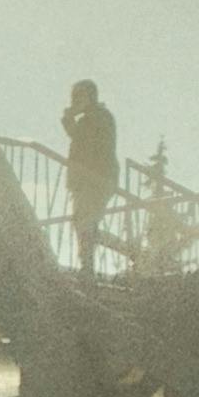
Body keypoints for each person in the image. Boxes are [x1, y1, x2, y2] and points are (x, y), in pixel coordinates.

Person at [60, 79, 118, 273]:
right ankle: (125, 250)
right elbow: (81, 140)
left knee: (85, 224)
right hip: (88, 180)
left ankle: (87, 268)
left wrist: (70, 119)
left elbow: (85, 142)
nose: (75, 101)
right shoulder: (92, 118)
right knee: (83, 224)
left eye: (79, 97)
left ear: (90, 97)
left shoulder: (100, 117)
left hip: (96, 180)